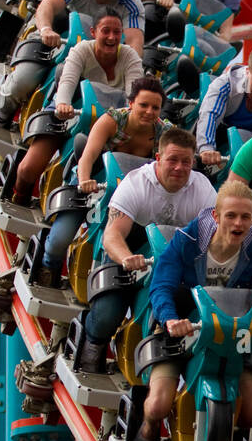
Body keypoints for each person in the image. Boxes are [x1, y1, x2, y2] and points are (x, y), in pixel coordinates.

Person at [133, 180, 252, 441]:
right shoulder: (187, 240)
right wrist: (170, 320)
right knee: (158, 405)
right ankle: (146, 425)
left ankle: (226, 427)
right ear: (216, 216)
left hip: (232, 331)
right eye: (231, 216)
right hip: (184, 326)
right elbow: (161, 287)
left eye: (246, 217)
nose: (238, 224)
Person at [74, 128, 217, 371]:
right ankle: (93, 344)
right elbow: (112, 235)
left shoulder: (201, 188)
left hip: (173, 258)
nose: (180, 168)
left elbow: (215, 237)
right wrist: (127, 258)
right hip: (132, 250)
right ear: (159, 158)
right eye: (172, 160)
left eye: (186, 162)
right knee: (108, 314)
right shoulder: (136, 183)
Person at [37, 75, 166, 286]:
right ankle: (48, 266)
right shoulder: (113, 120)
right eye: (144, 105)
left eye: (155, 108)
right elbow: (88, 155)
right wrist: (85, 180)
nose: (150, 112)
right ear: (131, 103)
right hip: (95, 182)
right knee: (60, 240)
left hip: (128, 195)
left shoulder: (164, 132)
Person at [7, 11, 143, 207]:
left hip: (109, 119)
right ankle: (20, 198)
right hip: (72, 108)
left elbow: (133, 96)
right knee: (28, 168)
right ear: (94, 32)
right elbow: (68, 81)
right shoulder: (82, 49)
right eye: (106, 31)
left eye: (117, 32)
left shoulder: (129, 56)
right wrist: (63, 104)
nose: (112, 37)